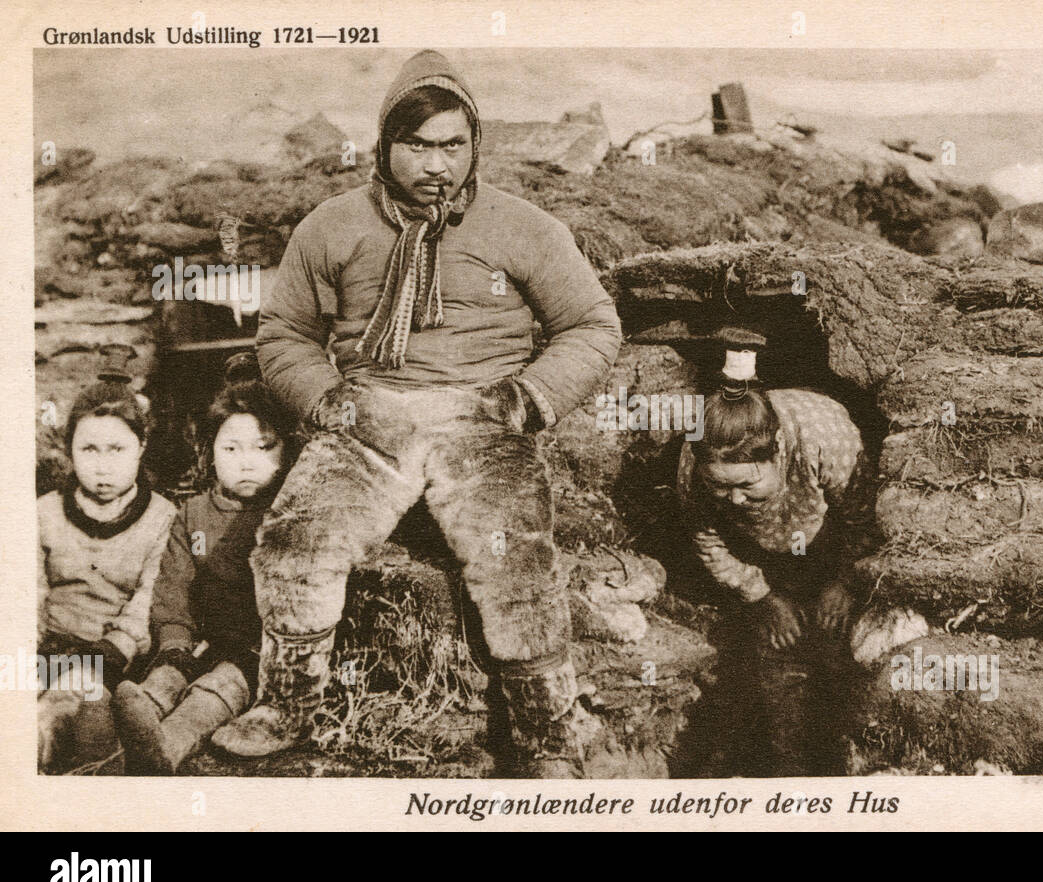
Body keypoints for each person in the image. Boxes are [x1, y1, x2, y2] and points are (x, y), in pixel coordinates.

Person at [211, 50, 621, 778]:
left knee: (514, 562)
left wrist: (527, 398)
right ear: (385, 146)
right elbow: (283, 333)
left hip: (483, 418)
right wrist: (323, 399)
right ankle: (288, 703)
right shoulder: (331, 227)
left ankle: (547, 731)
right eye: (418, 145)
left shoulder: (524, 227)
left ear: (475, 146)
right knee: (296, 540)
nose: (437, 164)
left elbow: (592, 324)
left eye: (453, 145)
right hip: (369, 417)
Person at [675, 336, 921, 775]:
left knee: (844, 651)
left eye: (747, 486)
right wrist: (762, 599)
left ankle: (844, 758)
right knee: (778, 661)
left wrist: (846, 582)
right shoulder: (694, 467)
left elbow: (866, 516)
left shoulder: (823, 437)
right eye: (721, 487)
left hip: (833, 535)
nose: (733, 499)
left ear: (777, 453)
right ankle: (790, 766)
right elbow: (708, 541)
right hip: (763, 556)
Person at [112, 353, 297, 774]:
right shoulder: (193, 513)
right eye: (230, 447)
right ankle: (144, 706)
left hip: (257, 653)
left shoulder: (288, 513)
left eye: (263, 447)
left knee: (216, 691)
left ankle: (169, 745)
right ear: (210, 452)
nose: (246, 461)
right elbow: (173, 587)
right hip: (201, 642)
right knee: (168, 676)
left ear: (285, 452)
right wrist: (174, 644)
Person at [37, 359, 176, 772]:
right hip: (49, 647)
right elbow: (27, 592)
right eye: (89, 449)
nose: (102, 465)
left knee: (83, 711)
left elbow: (148, 598)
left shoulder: (162, 517)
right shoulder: (44, 512)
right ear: (70, 452)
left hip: (116, 656)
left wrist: (111, 653)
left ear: (141, 448)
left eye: (117, 449)